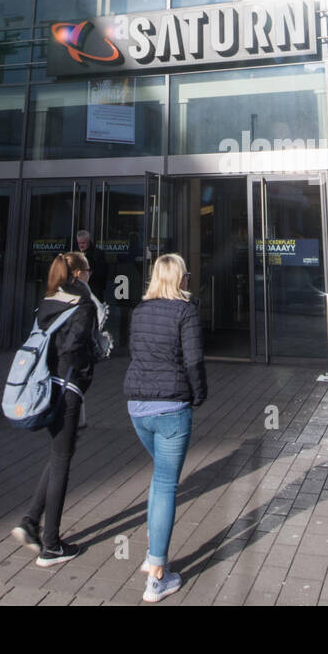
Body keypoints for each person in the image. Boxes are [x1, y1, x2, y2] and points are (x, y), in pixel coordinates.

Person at [124, 253, 206, 603]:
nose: (189, 279)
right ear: (180, 279)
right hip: (172, 405)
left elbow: (136, 353)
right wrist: (199, 395)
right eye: (186, 274)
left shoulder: (139, 311)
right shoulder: (185, 311)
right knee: (166, 485)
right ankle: (157, 573)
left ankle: (151, 558)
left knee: (161, 479)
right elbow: (194, 359)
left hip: (137, 406)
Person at [11, 254, 98, 566]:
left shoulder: (47, 301)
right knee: (62, 460)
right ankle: (51, 545)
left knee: (61, 452)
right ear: (76, 273)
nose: (90, 275)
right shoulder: (83, 304)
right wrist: (92, 357)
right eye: (87, 270)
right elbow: (75, 347)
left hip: (45, 387)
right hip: (68, 388)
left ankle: (31, 521)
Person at [75, 229, 108, 300]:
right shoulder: (75, 254)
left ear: (88, 241)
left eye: (83, 243)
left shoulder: (98, 254)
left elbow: (102, 273)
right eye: (79, 243)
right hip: (79, 289)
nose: (81, 245)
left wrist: (88, 275)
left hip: (94, 289)